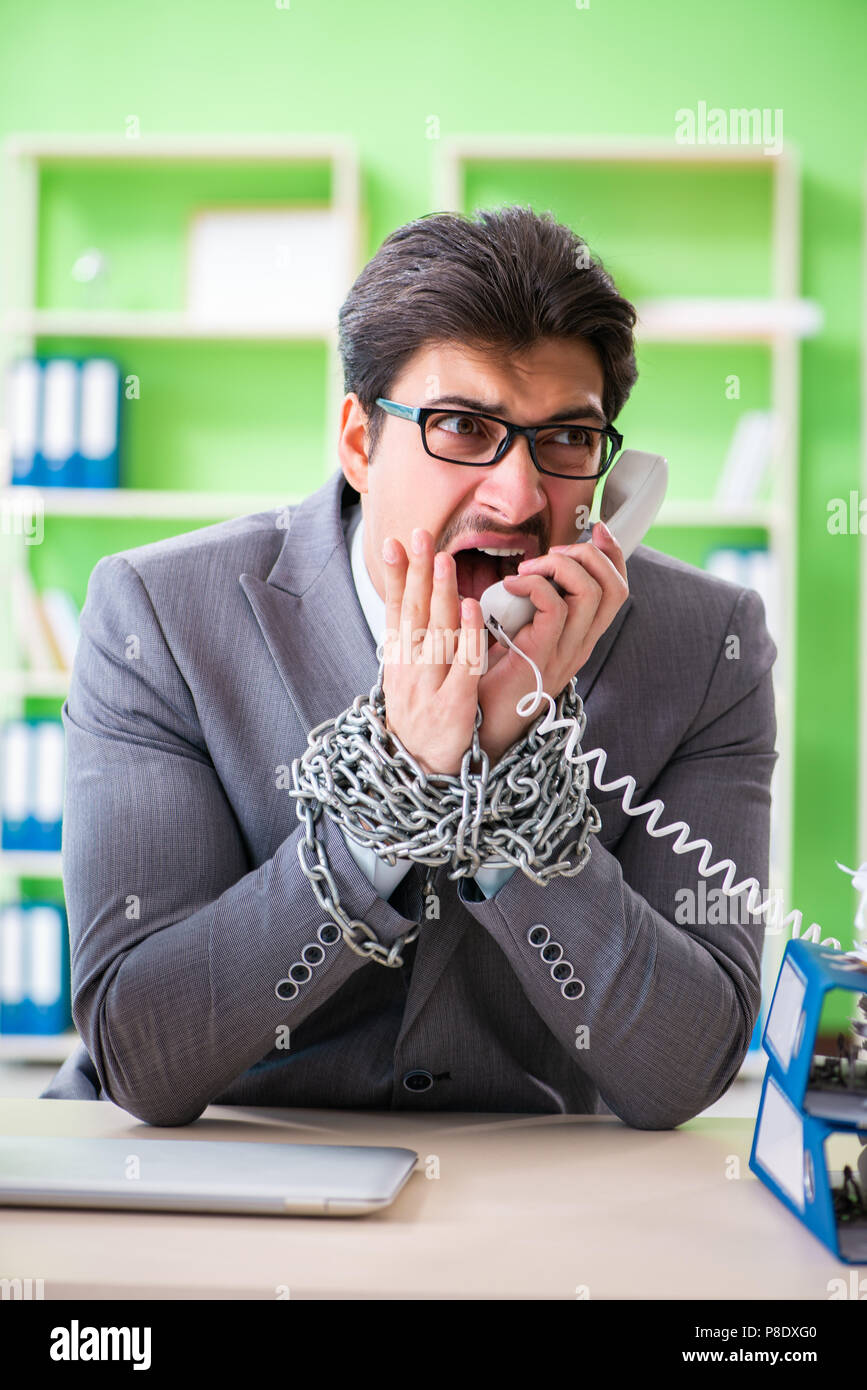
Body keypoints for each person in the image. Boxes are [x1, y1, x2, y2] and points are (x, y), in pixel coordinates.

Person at [41, 205, 777, 1128]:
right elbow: (140, 1056)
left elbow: (683, 1072)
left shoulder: (708, 645)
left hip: (528, 1204)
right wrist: (400, 789)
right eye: (463, 426)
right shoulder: (159, 616)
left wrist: (510, 788)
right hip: (228, 1171)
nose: (517, 497)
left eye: (566, 439)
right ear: (358, 442)